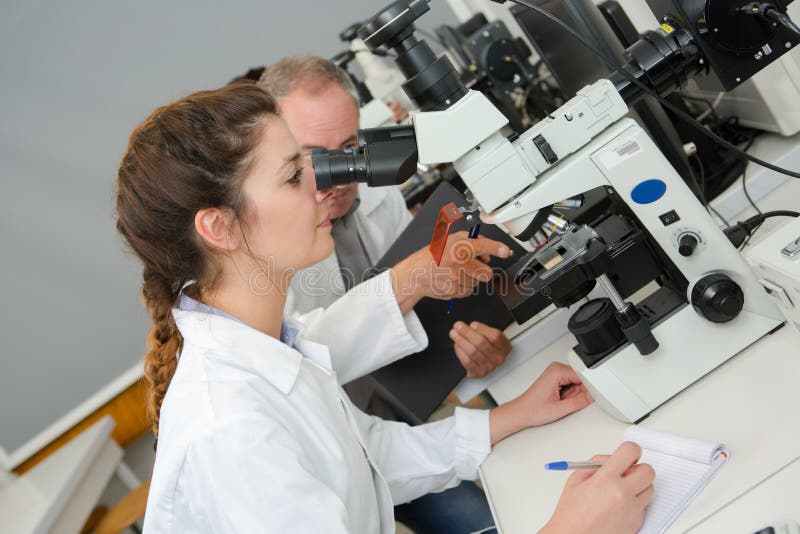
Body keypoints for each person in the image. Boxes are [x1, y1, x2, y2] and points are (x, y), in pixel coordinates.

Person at [116, 83, 654, 533]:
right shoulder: (231, 432)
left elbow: (370, 460)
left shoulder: (275, 343)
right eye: (292, 176)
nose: (324, 186)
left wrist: (515, 415)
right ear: (220, 227)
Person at [257, 55, 513, 532]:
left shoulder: (376, 191)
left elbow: (434, 312)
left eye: (349, 147)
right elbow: (309, 357)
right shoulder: (265, 246)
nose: (342, 171)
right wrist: (411, 278)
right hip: (345, 449)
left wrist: (475, 350)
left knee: (520, 484)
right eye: (315, 155)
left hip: (415, 410)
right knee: (482, 523)